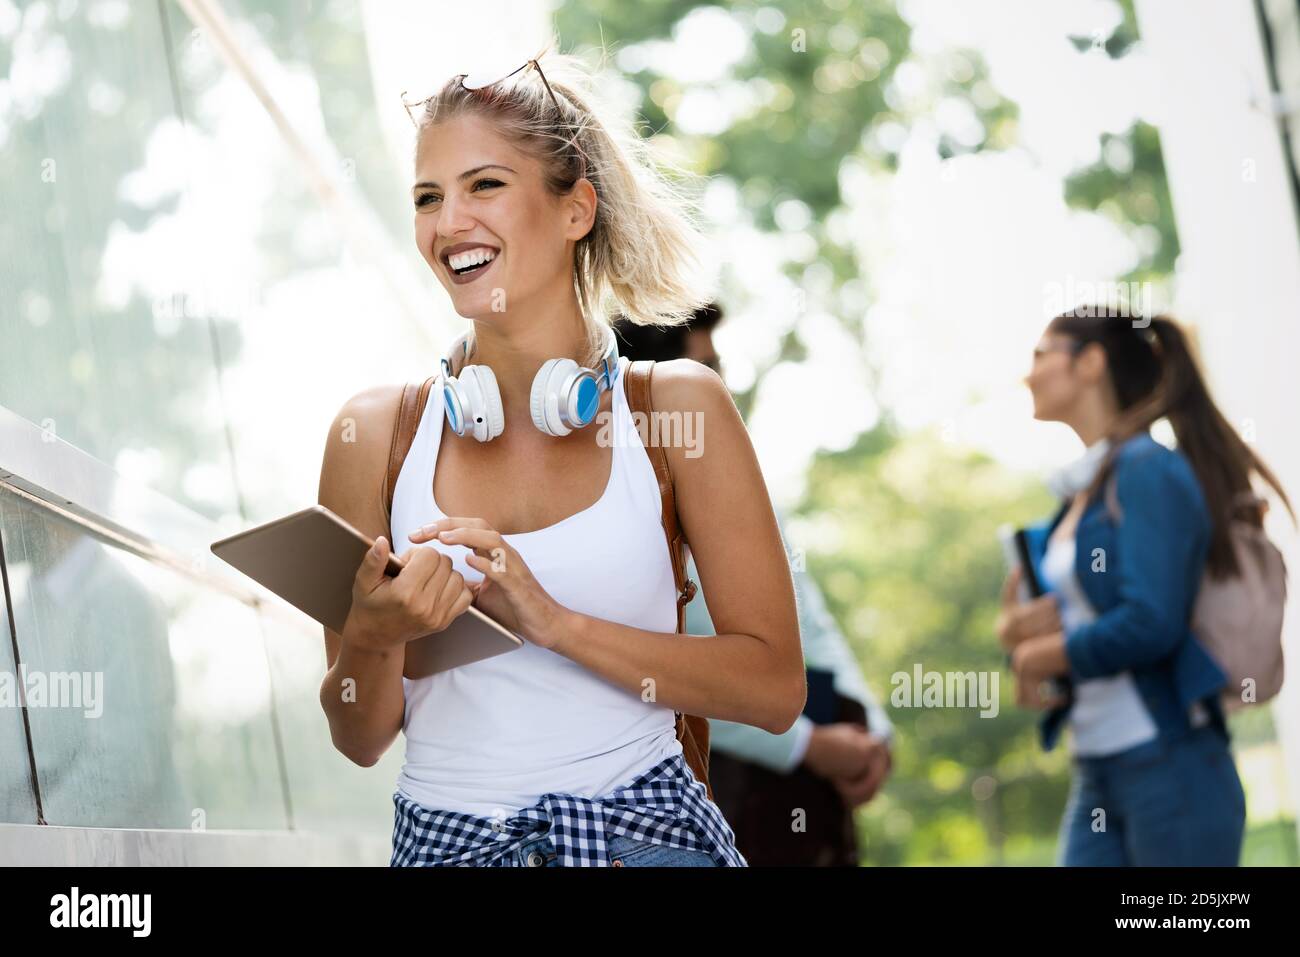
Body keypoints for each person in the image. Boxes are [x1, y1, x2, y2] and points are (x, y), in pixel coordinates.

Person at [314, 48, 803, 867]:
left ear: (575, 210)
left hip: (646, 840)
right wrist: (371, 635)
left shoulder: (678, 408)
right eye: (428, 197)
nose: (449, 221)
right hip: (448, 846)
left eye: (486, 185)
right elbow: (359, 737)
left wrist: (553, 621)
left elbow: (774, 688)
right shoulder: (372, 434)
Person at [1000, 309, 1292, 866]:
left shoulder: (1146, 468)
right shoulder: (1084, 489)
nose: (1028, 374)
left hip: (1168, 766)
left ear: (1090, 362)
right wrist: (1015, 634)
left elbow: (1151, 622)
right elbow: (1078, 619)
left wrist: (1043, 656)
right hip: (1097, 766)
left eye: (1041, 355)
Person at [616, 307, 894, 867]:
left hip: (814, 780)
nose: (719, 383)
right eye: (705, 366)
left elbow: (809, 614)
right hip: (727, 786)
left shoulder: (742, 481)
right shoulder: (623, 510)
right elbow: (653, 674)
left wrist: (869, 724)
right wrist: (809, 748)